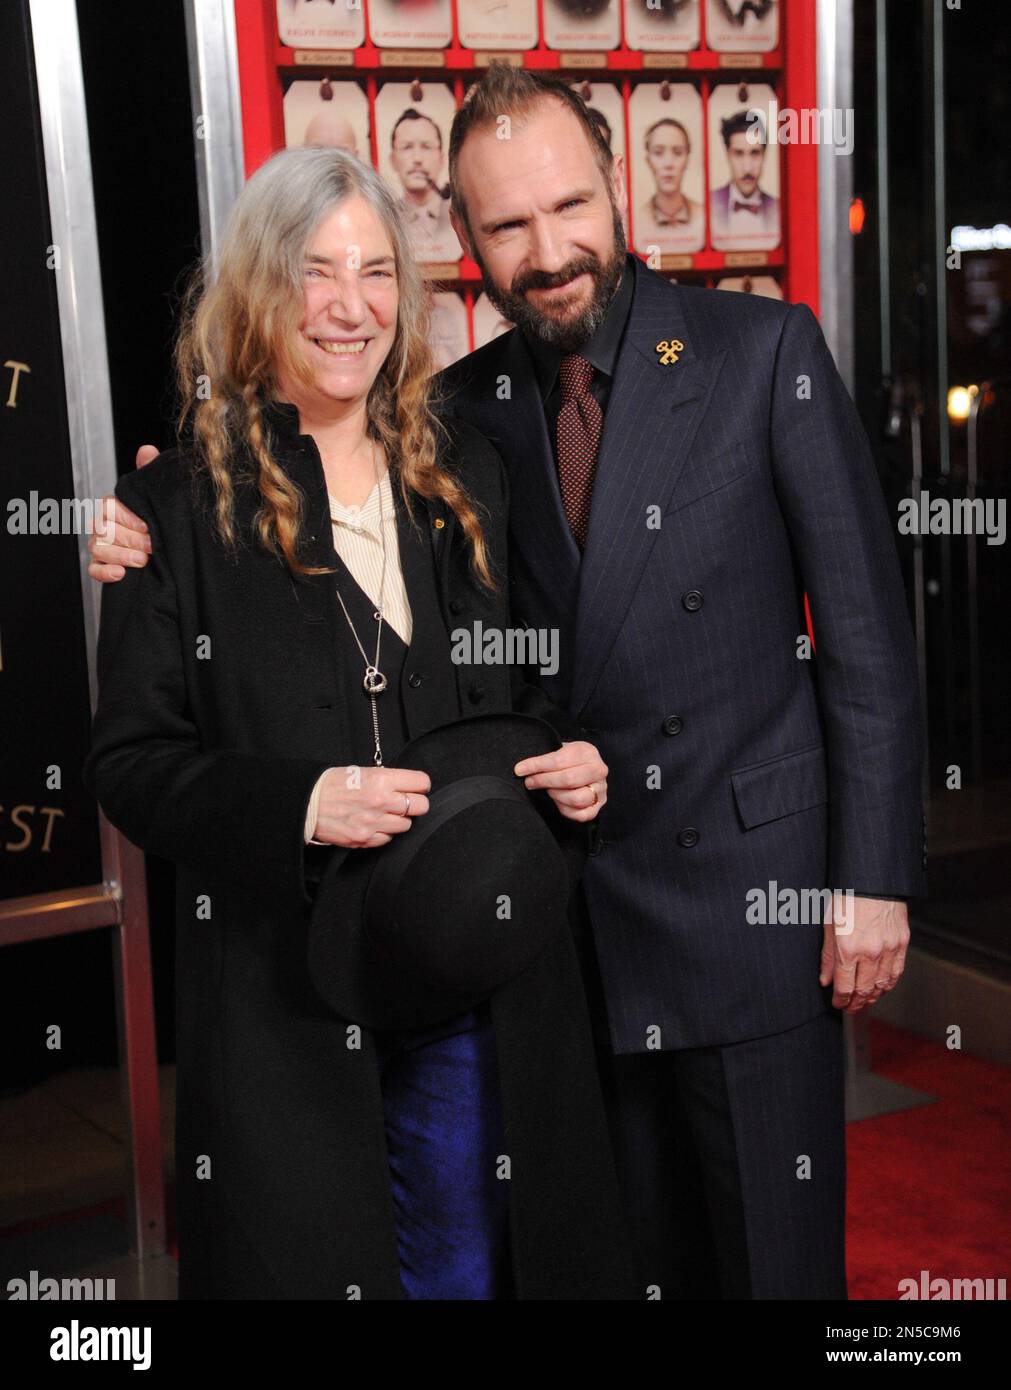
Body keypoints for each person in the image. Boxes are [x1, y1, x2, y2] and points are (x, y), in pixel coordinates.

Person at [90, 64, 926, 1301]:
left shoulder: (746, 359)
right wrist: (145, 515)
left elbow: (861, 638)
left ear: (616, 189)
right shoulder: (454, 421)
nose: (548, 250)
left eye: (567, 208)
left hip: (734, 919)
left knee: (767, 1265)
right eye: (506, 225)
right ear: (467, 242)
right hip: (529, 940)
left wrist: (875, 878)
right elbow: (505, 660)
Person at [82, 143, 633, 1301]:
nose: (350, 307)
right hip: (285, 1008)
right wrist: (302, 805)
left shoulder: (467, 472)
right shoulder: (169, 508)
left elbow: (522, 691)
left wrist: (567, 763)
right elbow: (129, 764)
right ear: (258, 293)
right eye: (314, 273)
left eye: (377, 271)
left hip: (473, 979)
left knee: (483, 1266)